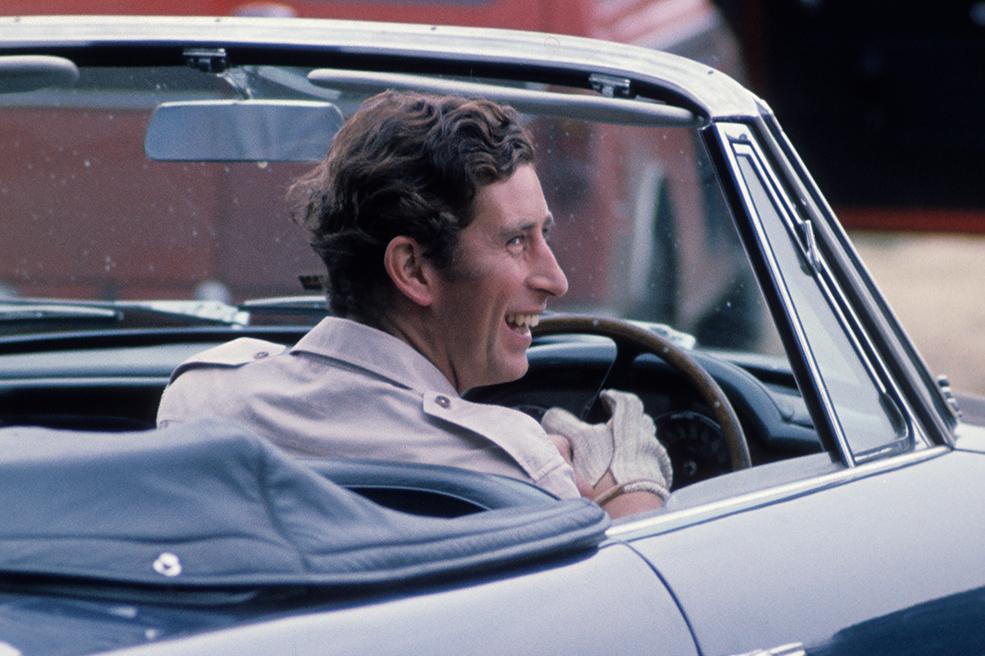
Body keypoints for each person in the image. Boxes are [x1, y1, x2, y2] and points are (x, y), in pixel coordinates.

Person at [157, 90, 672, 517]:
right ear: (412, 269)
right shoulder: (514, 465)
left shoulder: (199, 399)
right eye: (517, 241)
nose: (556, 279)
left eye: (545, 235)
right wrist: (629, 486)